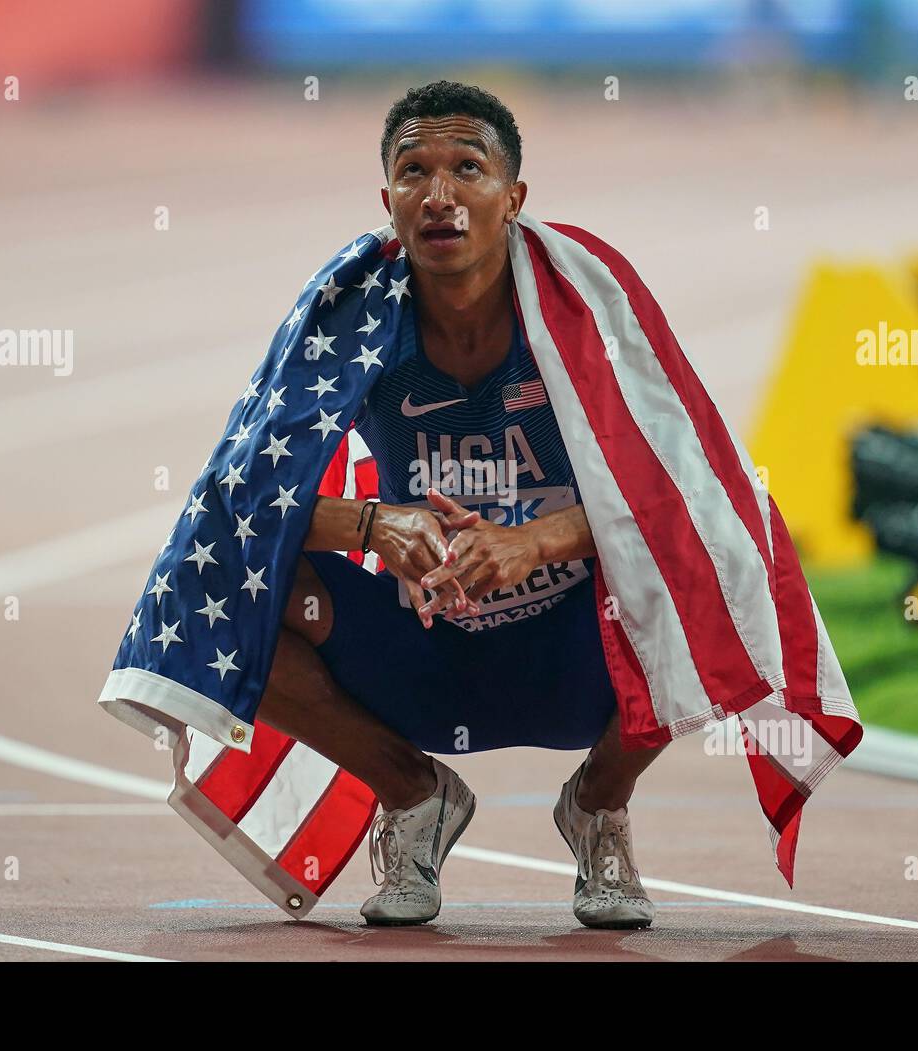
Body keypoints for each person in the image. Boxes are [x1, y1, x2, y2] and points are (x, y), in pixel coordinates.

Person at [252, 81, 664, 928]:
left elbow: (688, 500)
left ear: (513, 198)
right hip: (423, 651)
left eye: (467, 168)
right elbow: (241, 502)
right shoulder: (358, 323)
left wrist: (535, 542)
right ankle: (413, 795)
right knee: (227, 578)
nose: (440, 195)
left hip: (578, 657)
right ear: (388, 202)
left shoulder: (582, 314)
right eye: (415, 171)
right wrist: (375, 523)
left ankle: (598, 801)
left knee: (739, 561)